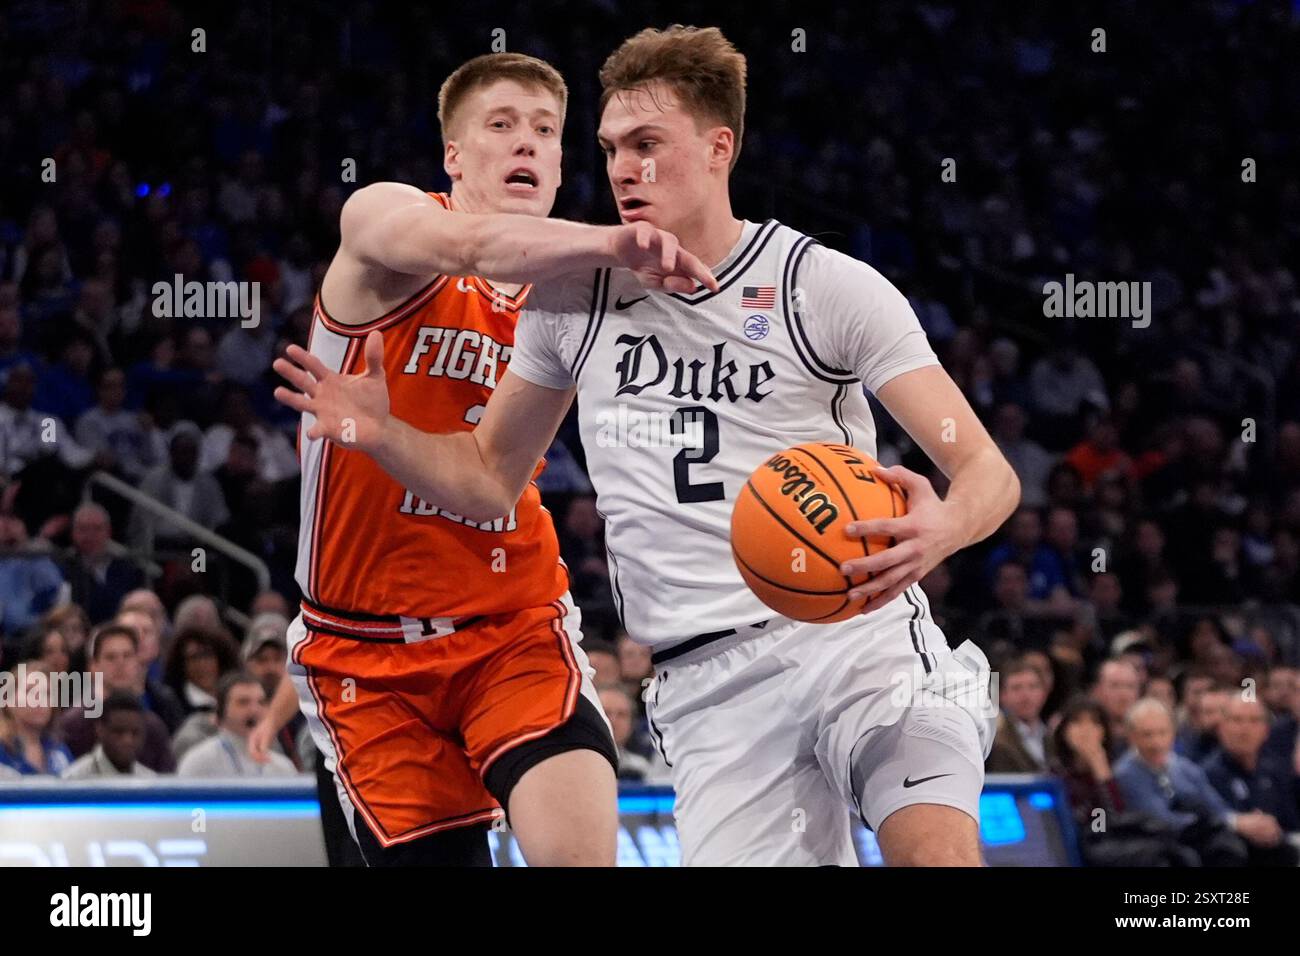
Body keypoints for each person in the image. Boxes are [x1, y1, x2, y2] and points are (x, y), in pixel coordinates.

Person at [276, 26, 1018, 866]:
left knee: (933, 849)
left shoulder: (822, 286)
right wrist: (384, 435)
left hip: (851, 634)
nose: (624, 168)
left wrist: (945, 528)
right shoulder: (570, 294)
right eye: (611, 149)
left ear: (718, 148)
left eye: (646, 145)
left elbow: (986, 472)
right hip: (707, 682)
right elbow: (486, 470)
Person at [270, 50, 719, 867]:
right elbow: (471, 244)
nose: (526, 144)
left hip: (511, 625)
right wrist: (616, 243)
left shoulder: (567, 296)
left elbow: (488, 486)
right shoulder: (384, 219)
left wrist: (386, 435)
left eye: (545, 132)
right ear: (454, 154)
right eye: (502, 126)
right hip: (363, 652)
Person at [1051, 697, 1195, 867]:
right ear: (1064, 730)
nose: (1086, 730)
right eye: (1077, 722)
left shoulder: (1110, 768)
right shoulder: (1055, 775)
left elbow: (1111, 820)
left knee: (1178, 855)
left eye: (1094, 723)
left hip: (1109, 841)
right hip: (1076, 846)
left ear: (1104, 731)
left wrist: (1100, 772)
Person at [1113, 699, 1253, 866]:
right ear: (1131, 737)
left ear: (1173, 733)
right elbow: (1160, 819)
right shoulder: (1125, 774)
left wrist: (1239, 821)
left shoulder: (1185, 768)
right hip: (1160, 846)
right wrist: (1207, 822)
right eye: (1147, 734)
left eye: (1162, 733)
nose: (1156, 742)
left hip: (1201, 837)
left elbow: (1216, 806)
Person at [55, 622, 177, 772]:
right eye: (111, 657)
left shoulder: (153, 727)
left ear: (137, 664)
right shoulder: (72, 725)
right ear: (93, 667)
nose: (120, 664)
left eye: (127, 656)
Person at [1201, 696, 1298, 866]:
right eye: (1237, 720)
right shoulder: (1206, 775)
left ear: (1266, 730)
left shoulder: (1276, 771)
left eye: (1254, 721)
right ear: (1221, 727)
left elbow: (1291, 825)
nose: (1245, 729)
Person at [177, 672, 298, 777]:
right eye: (243, 702)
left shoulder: (283, 767)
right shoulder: (199, 762)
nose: (254, 710)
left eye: (261, 702)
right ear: (221, 711)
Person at [60, 502, 145, 627]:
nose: (90, 536)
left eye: (97, 529)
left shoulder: (128, 569)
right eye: (83, 529)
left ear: (109, 532)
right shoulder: (63, 567)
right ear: (73, 533)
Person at [62, 691, 157, 779]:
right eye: (118, 732)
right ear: (99, 730)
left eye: (135, 733)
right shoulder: (74, 780)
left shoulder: (151, 781)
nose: (127, 740)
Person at [0, 667, 73, 775]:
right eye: (29, 691)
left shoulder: (58, 749)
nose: (39, 700)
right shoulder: (3, 749)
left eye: (46, 693)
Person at [986, 658, 1054, 773]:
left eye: (1033, 687)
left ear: (1044, 693)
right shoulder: (995, 743)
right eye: (1016, 688)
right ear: (1002, 696)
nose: (1026, 695)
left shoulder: (1055, 736)